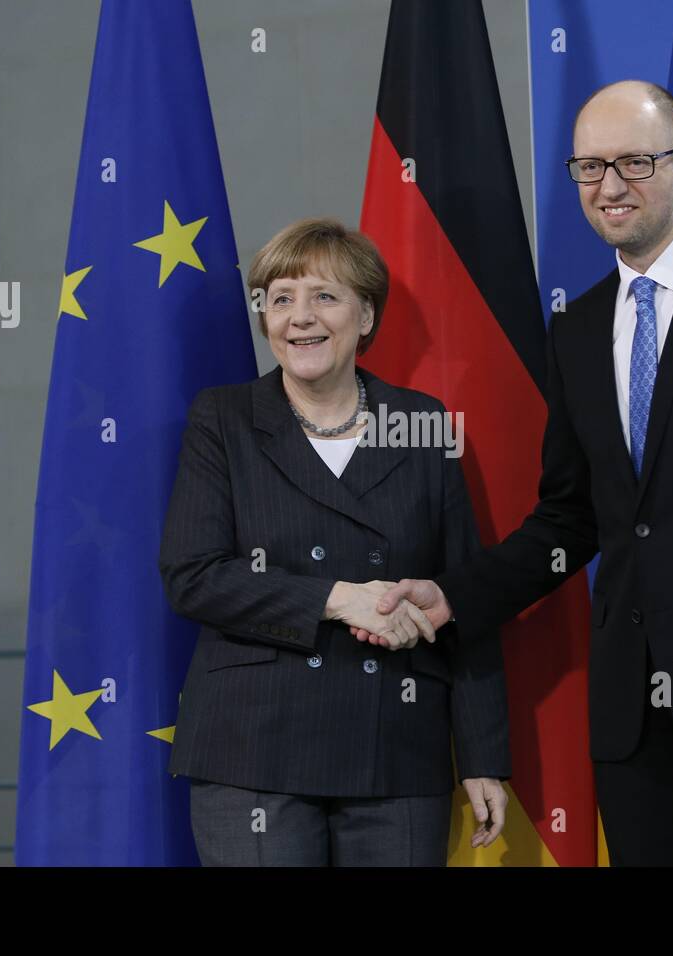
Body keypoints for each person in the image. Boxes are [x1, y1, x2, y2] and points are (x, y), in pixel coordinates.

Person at [355, 81, 673, 866]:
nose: (609, 187)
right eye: (590, 166)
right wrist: (452, 596)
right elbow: (570, 519)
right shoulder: (578, 326)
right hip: (633, 718)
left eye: (635, 162)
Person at [158, 217, 510, 866]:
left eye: (325, 295)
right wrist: (336, 599)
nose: (299, 317)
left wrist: (484, 756)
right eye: (280, 297)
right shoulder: (223, 420)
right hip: (254, 749)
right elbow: (193, 575)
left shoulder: (423, 423)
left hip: (397, 748)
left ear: (366, 313)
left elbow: (466, 595)